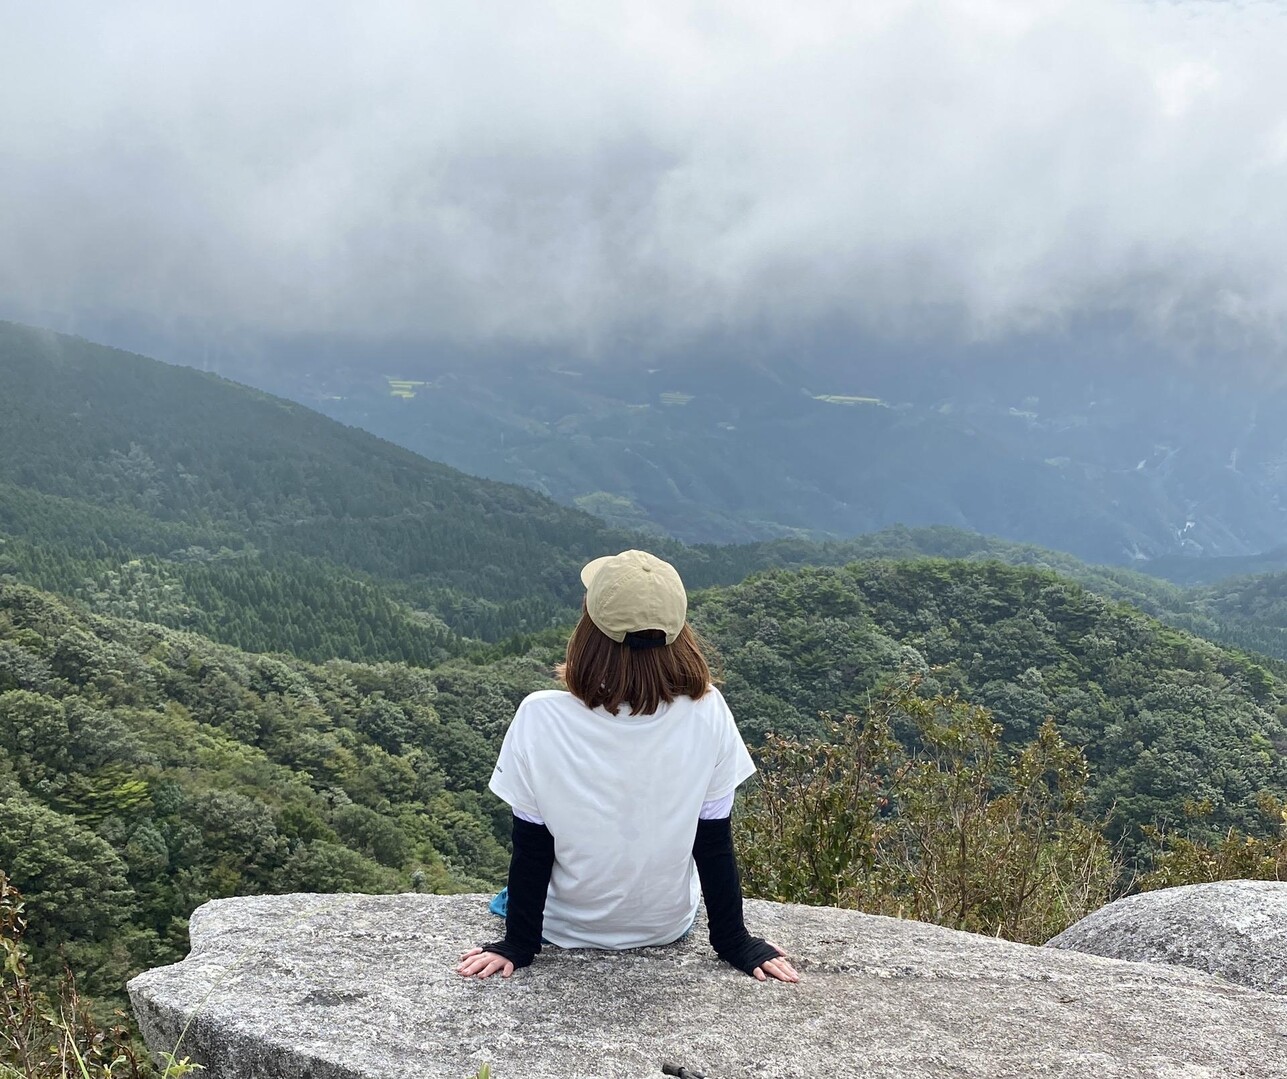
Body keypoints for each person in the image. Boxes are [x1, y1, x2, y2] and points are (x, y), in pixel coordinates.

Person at [455, 549, 800, 984]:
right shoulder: (708, 710)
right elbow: (713, 841)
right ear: (679, 633)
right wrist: (734, 940)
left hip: (564, 928)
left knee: (507, 896)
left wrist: (518, 944)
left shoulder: (539, 716)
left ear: (589, 630)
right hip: (664, 926)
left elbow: (532, 846)